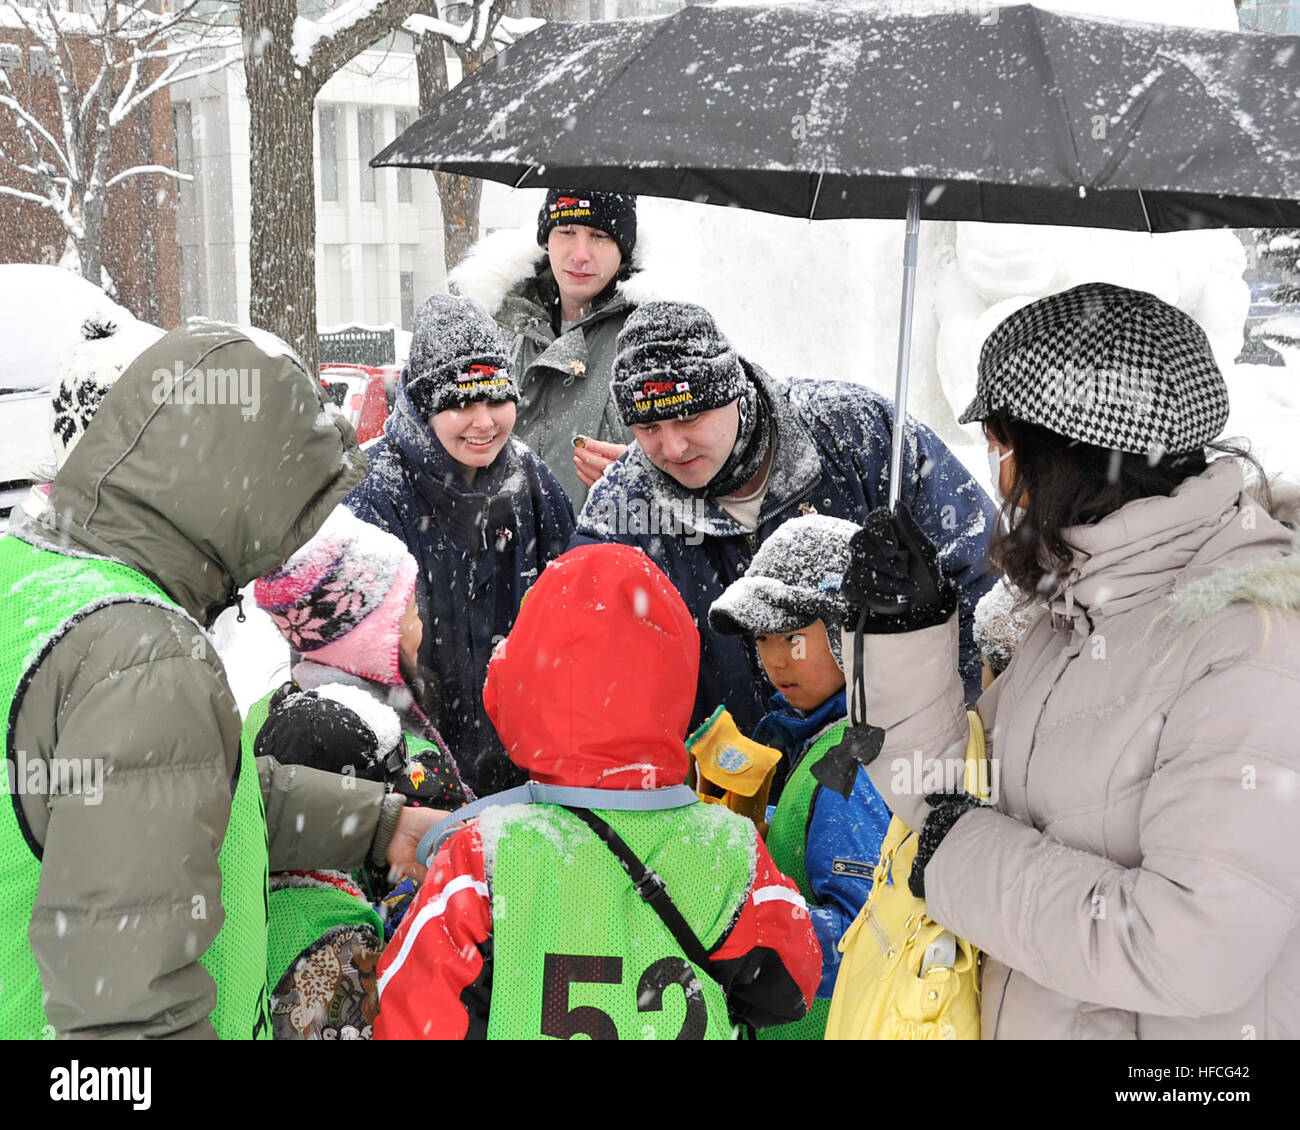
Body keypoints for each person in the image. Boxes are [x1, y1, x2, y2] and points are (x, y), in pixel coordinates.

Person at [839, 282, 1300, 1039]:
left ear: (1064, 457)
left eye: (1003, 446)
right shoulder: (1081, 616)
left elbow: (1191, 951)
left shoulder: (1252, 645)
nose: (1001, 479)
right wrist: (905, 634)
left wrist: (959, 857)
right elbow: (943, 805)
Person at [0, 320, 438, 1040]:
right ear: (250, 502)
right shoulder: (146, 658)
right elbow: (130, 1020)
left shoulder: (33, 578)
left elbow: (167, 795)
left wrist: (379, 824)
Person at [372, 543, 823, 1040]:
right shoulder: (727, 850)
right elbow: (794, 982)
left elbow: (411, 1016)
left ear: (526, 680)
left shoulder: (484, 857)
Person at [576, 300, 997, 736]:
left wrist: (948, 731)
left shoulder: (859, 433)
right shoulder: (623, 507)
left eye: (689, 417)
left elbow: (979, 576)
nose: (673, 447)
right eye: (648, 430)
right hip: (723, 785)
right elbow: (578, 658)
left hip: (887, 762)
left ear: (733, 393)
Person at [248, 508, 473, 1039]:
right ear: (366, 635)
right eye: (408, 613)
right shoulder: (331, 730)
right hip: (372, 986)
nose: (421, 627)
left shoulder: (340, 706)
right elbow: (321, 884)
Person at [346, 294, 574, 795]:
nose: (485, 421)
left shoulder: (533, 484)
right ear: (425, 406)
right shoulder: (375, 497)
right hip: (417, 782)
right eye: (461, 403)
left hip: (531, 777)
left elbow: (575, 629)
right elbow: (354, 666)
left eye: (496, 399)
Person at [709, 514, 893, 1039]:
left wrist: (737, 917)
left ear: (849, 632)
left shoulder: (851, 762)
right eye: (762, 638)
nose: (773, 659)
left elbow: (862, 937)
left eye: (792, 636)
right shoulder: (814, 738)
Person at [448, 189, 645, 505]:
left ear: (623, 246)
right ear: (547, 238)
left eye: (599, 236)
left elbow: (698, 460)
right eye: (566, 232)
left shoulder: (649, 339)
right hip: (504, 547)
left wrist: (648, 479)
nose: (580, 254)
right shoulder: (495, 323)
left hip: (603, 548)